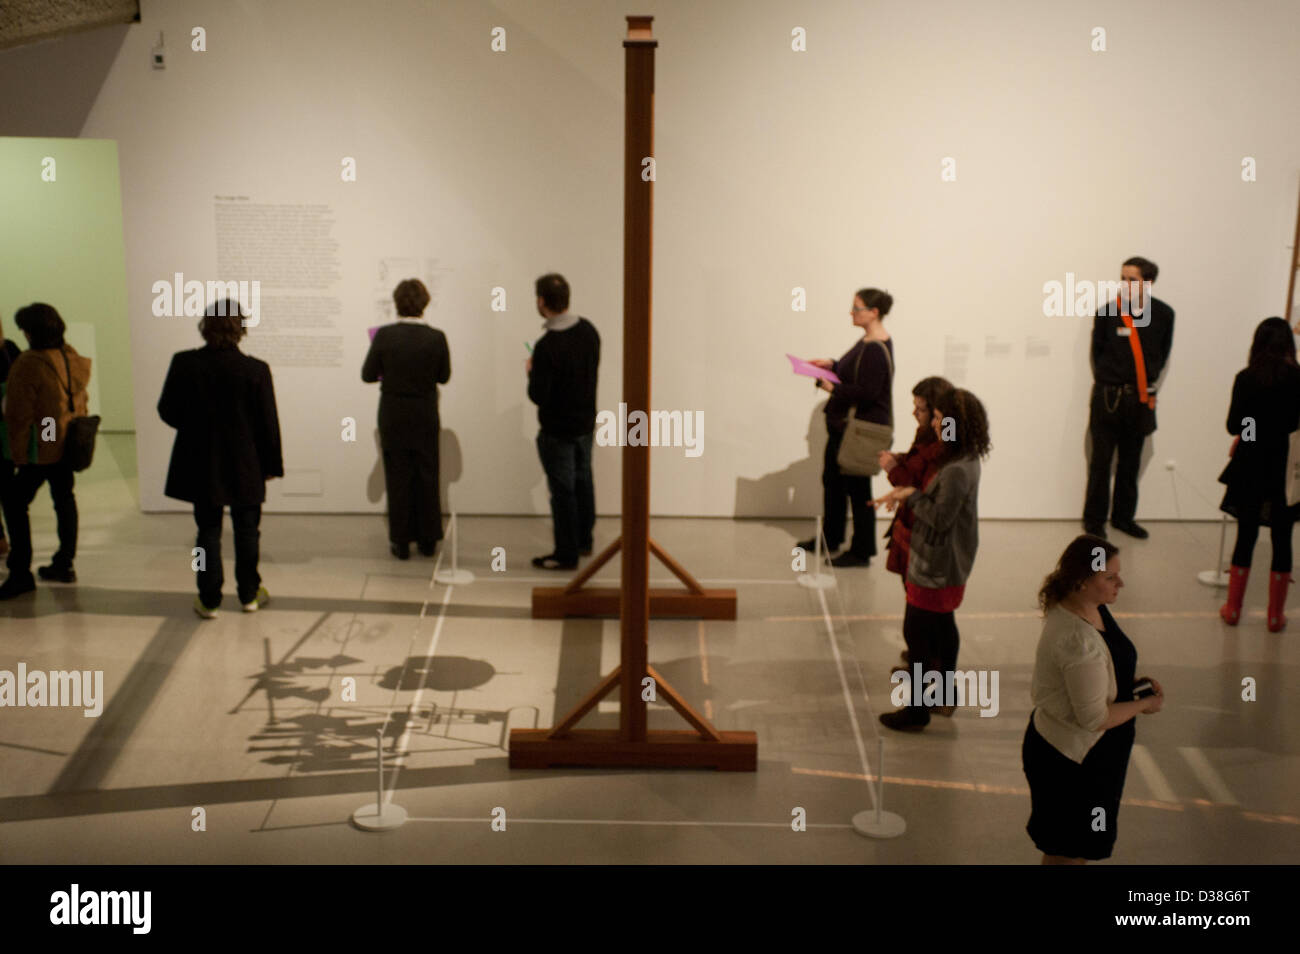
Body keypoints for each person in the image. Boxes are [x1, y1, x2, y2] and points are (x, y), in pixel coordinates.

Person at [1022, 535, 1165, 863]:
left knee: (1070, 848)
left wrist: (1126, 685)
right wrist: (1144, 704)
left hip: (1079, 754)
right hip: (1073, 762)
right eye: (1110, 577)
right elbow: (1094, 718)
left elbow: (1099, 667)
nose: (1121, 583)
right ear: (1082, 582)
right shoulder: (1077, 640)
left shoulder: (1087, 607)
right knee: (1070, 852)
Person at [873, 388, 989, 730]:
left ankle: (917, 709)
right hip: (945, 564)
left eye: (939, 418)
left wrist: (911, 496)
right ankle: (940, 694)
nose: (935, 424)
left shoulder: (955, 470)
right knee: (940, 627)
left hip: (936, 566)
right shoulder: (964, 460)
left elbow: (940, 518)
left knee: (918, 633)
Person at [158, 300, 283, 618]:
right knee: (247, 531)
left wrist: (194, 428)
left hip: (202, 461)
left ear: (205, 327)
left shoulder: (184, 363)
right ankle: (249, 594)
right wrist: (270, 466)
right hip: (246, 462)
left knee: (206, 533)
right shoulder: (256, 370)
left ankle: (209, 597)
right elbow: (268, 423)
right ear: (241, 330)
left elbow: (167, 410)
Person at [796, 288, 894, 568]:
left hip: (858, 432)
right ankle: (831, 537)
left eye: (857, 308)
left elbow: (868, 392)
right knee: (834, 484)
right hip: (846, 429)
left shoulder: (876, 347)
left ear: (873, 313)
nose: (852, 312)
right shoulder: (868, 342)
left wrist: (831, 386)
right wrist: (833, 364)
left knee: (857, 489)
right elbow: (856, 375)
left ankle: (861, 551)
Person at [0, 303, 92, 600]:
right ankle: (64, 563)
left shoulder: (29, 363)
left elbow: (20, 414)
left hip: (46, 444)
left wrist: (19, 454)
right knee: (64, 499)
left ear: (31, 332)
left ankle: (20, 573)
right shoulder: (70, 356)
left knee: (14, 502)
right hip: (67, 439)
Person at [1217, 317, 1300, 631]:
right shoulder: (1298, 379)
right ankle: (1276, 616)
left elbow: (1234, 425)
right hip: (1286, 468)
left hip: (1250, 465)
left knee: (1246, 536)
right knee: (1282, 539)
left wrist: (1252, 428)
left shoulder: (1246, 378)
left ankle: (1234, 609)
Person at [1084, 256, 1175, 540]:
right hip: (1107, 397)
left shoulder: (1163, 314)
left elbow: (1161, 354)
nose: (1124, 284)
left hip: (1139, 399)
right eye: (1122, 278)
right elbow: (1097, 354)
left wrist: (1143, 383)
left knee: (1130, 462)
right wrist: (1111, 379)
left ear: (1148, 283)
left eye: (1131, 280)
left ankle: (1124, 518)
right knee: (1100, 463)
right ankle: (1094, 520)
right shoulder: (1107, 312)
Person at [362, 279, 451, 560]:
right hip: (424, 412)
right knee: (427, 473)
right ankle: (428, 539)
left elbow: (367, 374)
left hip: (393, 412)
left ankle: (400, 541)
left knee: (398, 474)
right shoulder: (437, 337)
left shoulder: (384, 337)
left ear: (397, 302)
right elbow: (444, 376)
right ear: (424, 304)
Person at [527, 273, 600, 570]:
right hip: (584, 423)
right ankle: (583, 539)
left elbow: (538, 395)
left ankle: (565, 553)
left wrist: (532, 371)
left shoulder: (547, 345)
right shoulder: (589, 331)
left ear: (542, 301)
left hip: (558, 429)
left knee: (563, 492)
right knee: (583, 481)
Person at [878, 376, 954, 586]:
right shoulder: (929, 434)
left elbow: (921, 484)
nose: (914, 413)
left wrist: (893, 468)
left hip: (924, 531)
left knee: (920, 597)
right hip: (914, 525)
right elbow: (919, 462)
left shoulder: (945, 445)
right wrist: (900, 459)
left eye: (920, 409)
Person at [0, 318, 21, 558]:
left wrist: (48, 441)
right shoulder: (11, 349)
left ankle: (18, 556)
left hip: (9, 433)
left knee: (11, 495)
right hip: (10, 433)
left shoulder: (14, 352)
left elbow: (48, 412)